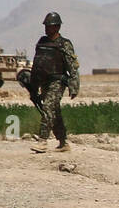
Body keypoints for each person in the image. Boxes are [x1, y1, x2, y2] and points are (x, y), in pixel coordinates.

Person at [29, 11, 80, 153]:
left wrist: (74, 86)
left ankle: (42, 141)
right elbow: (37, 65)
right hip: (44, 81)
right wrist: (33, 85)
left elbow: (73, 66)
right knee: (54, 112)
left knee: (48, 108)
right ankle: (63, 142)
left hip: (58, 82)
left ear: (57, 27)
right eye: (46, 26)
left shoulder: (64, 44)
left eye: (50, 26)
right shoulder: (42, 42)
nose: (47, 28)